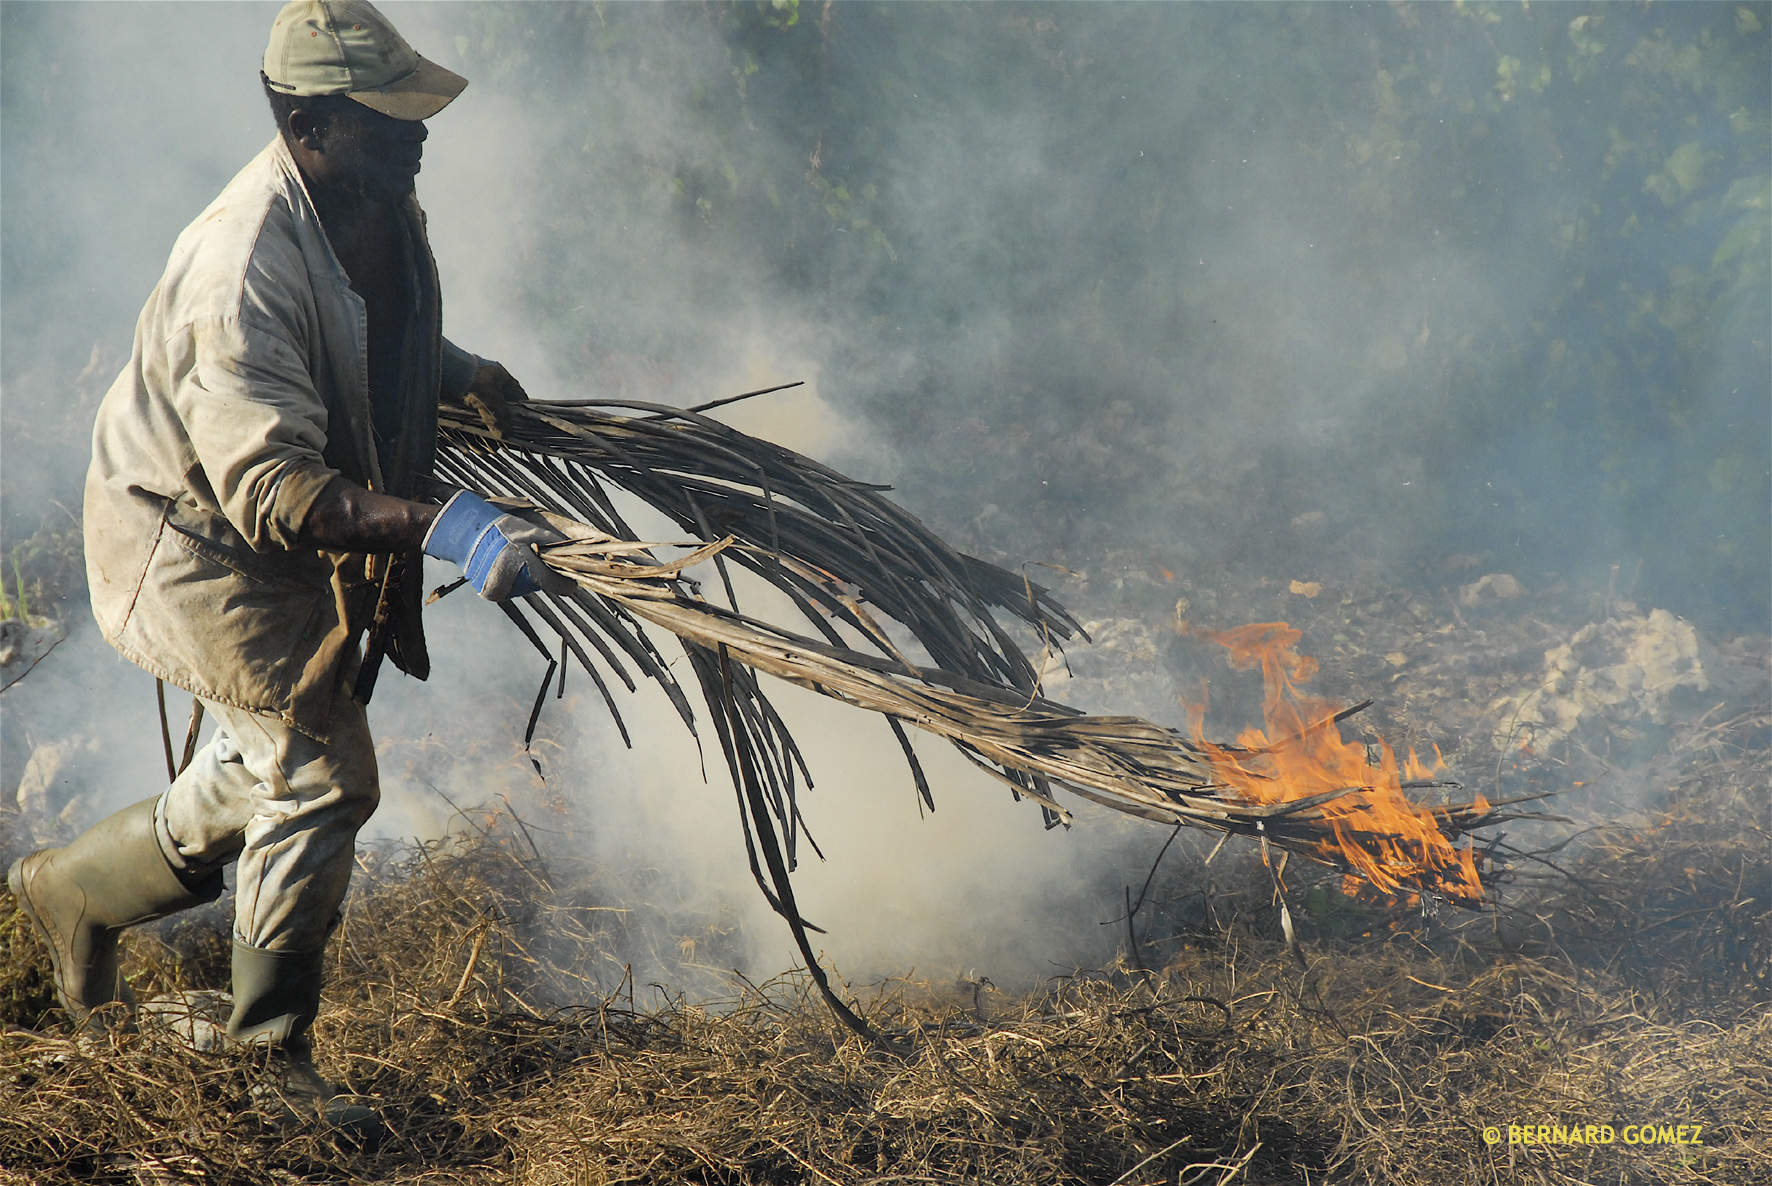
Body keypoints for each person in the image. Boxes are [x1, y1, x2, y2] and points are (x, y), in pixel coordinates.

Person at [6, 0, 563, 1128]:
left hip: (264, 519)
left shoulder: (366, 193)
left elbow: (356, 325)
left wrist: (452, 369)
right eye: (386, 114)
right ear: (308, 122)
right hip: (193, 539)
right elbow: (272, 491)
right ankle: (270, 1068)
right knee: (322, 772)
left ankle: (71, 890)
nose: (418, 129)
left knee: (270, 755)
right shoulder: (239, 260)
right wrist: (445, 526)